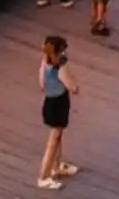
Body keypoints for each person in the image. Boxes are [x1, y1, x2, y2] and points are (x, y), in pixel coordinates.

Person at [36, 36, 79, 190]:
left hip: (49, 102)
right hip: (59, 104)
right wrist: (73, 82)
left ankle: (57, 166)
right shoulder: (60, 68)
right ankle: (43, 177)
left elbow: (41, 83)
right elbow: (73, 87)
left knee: (58, 135)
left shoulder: (44, 63)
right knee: (53, 141)